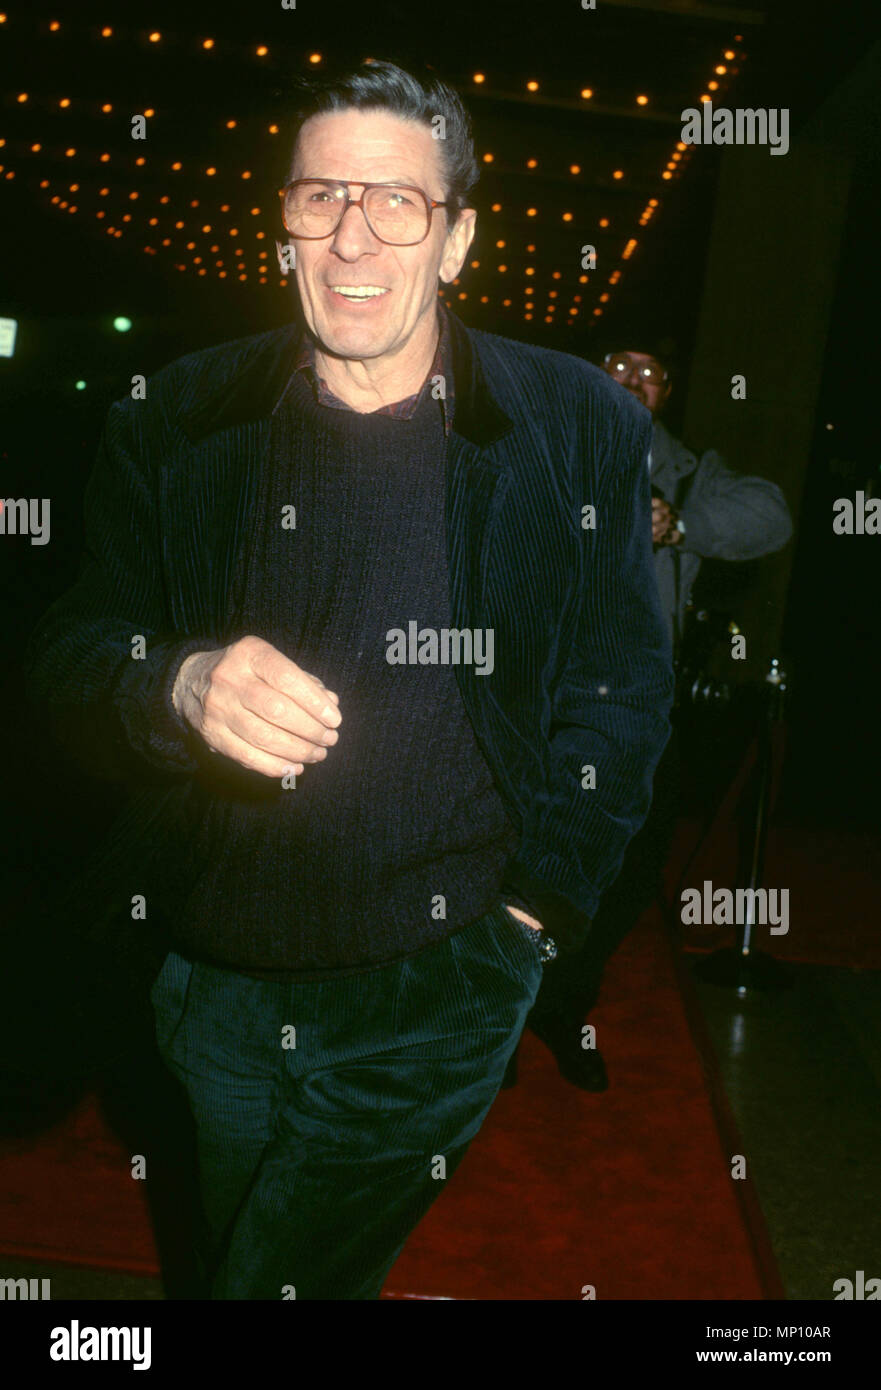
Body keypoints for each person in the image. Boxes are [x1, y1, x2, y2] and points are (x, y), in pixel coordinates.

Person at [24, 61, 672, 1300]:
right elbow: (65, 658)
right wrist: (175, 681)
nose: (353, 235)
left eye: (397, 204)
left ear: (460, 238)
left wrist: (533, 918)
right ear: (282, 226)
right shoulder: (172, 418)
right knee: (230, 1256)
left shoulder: (573, 421)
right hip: (207, 976)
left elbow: (619, 691)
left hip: (436, 985)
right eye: (322, 198)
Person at [508, 336, 792, 1092]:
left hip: (640, 704)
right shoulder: (540, 439)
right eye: (615, 367)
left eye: (648, 373)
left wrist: (680, 526)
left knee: (628, 868)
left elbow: (770, 515)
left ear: (666, 392)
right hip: (543, 696)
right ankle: (496, 1018)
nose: (630, 381)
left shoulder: (689, 471)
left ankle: (564, 1005)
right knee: (521, 853)